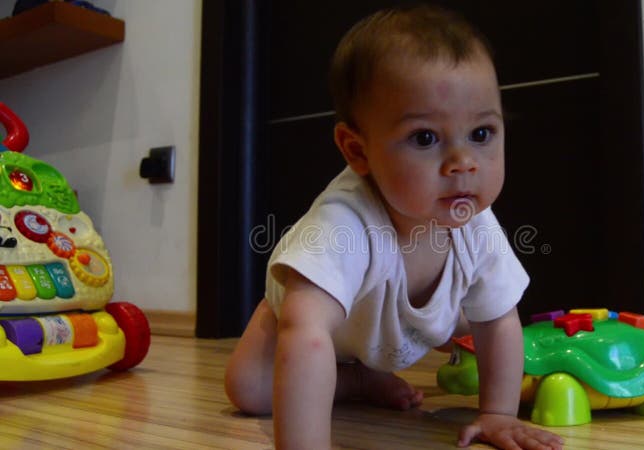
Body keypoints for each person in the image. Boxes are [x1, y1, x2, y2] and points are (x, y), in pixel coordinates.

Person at [225, 5, 564, 450]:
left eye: (482, 134)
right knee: (248, 388)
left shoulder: (473, 219)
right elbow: (304, 333)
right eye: (425, 138)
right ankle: (355, 382)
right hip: (311, 316)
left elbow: (500, 317)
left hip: (389, 319)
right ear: (357, 151)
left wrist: (498, 415)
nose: (463, 163)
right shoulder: (344, 223)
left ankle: (369, 370)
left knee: (482, 303)